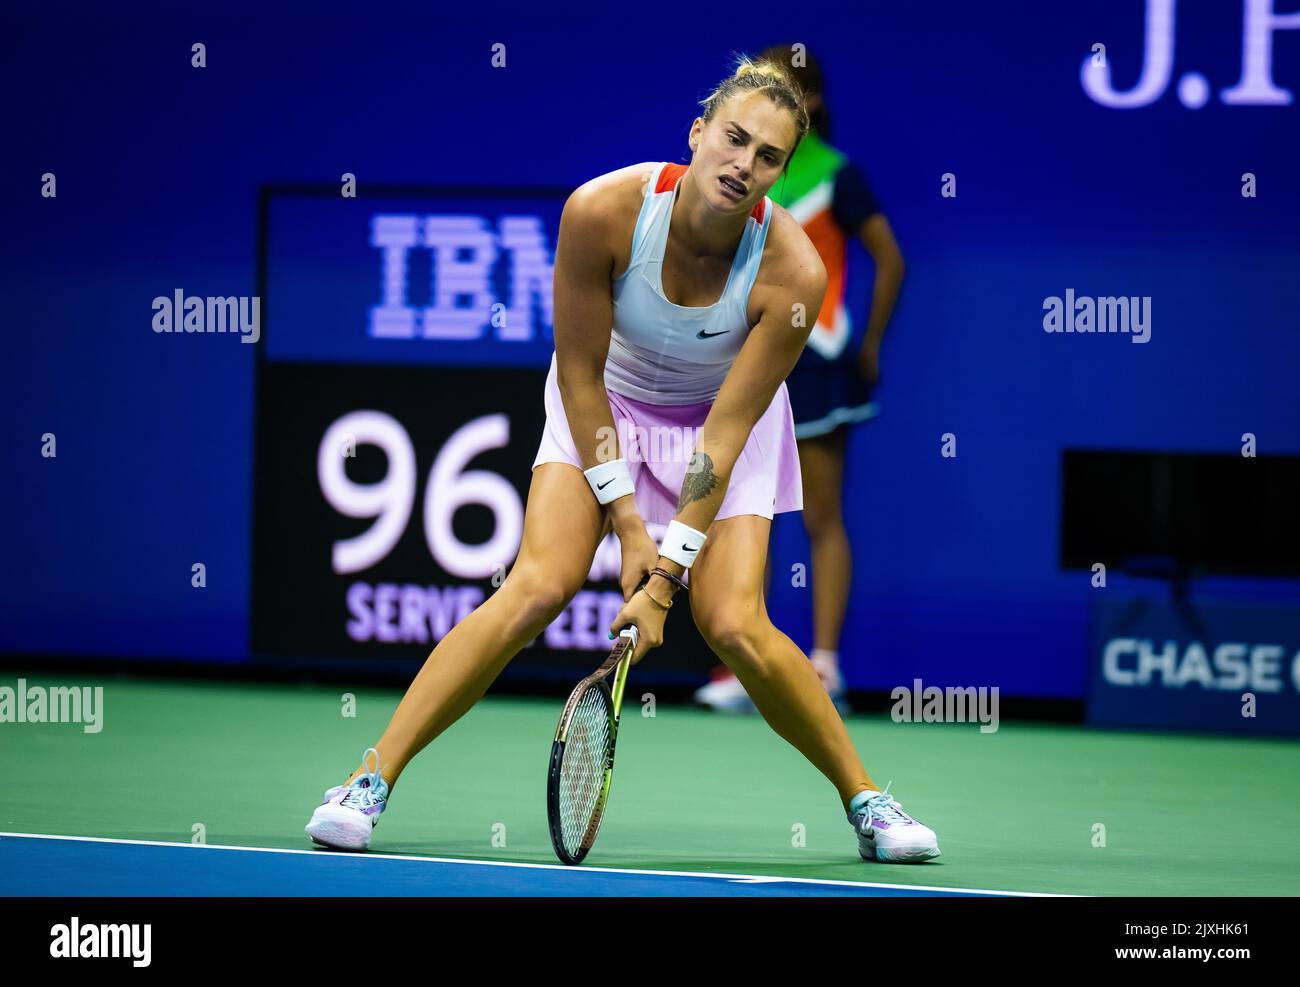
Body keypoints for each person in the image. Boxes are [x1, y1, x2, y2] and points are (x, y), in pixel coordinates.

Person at [305, 53, 939, 864]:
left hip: (719, 428)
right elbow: (577, 374)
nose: (744, 165)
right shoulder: (602, 211)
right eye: (734, 139)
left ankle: (868, 803)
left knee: (736, 623)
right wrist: (628, 522)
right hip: (605, 402)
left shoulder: (793, 272)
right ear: (697, 133)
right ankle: (369, 779)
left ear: (783, 169)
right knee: (536, 585)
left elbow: (726, 433)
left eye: (768, 156)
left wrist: (666, 575)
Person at [695, 44, 906, 715]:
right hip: (741, 351)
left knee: (819, 515)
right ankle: (738, 662)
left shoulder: (837, 175)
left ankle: (823, 667)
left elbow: (889, 259)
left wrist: (867, 343)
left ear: (808, 102)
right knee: (736, 510)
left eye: (778, 84)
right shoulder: (731, 164)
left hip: (818, 361)